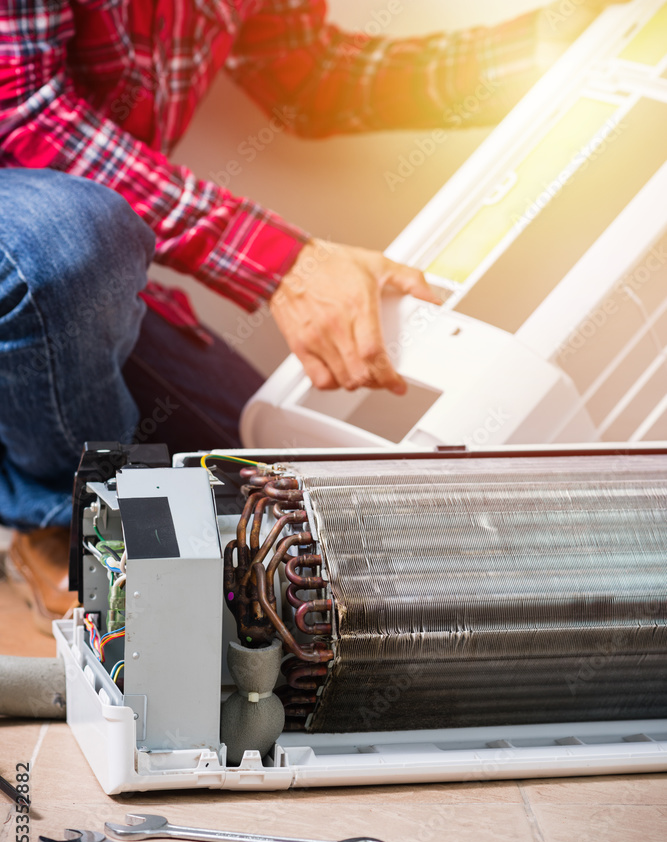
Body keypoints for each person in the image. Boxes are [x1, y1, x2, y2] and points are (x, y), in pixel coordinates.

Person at [0, 0, 625, 631]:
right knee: (64, 245)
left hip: (89, 265)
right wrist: (281, 262)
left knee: (277, 492)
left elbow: (307, 73)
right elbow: (25, 111)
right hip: (31, 226)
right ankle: (58, 516)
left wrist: (536, 46)